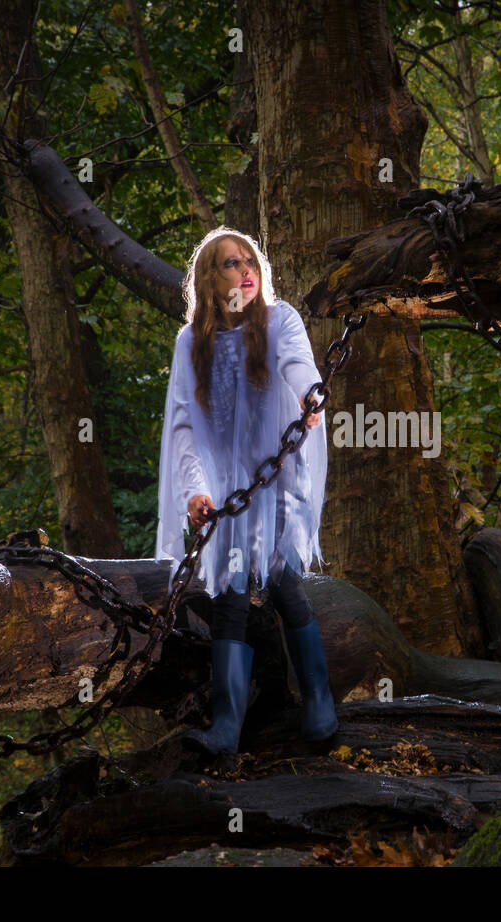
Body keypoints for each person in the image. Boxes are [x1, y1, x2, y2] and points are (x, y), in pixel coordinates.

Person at [155, 226, 337, 756]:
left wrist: (311, 394)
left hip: (275, 482)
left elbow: (299, 365)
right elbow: (185, 423)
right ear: (210, 280)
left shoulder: (279, 321)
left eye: (250, 261)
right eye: (231, 264)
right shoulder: (192, 342)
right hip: (228, 493)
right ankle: (228, 728)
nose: (245, 272)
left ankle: (320, 703)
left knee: (282, 584)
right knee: (230, 599)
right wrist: (194, 490)